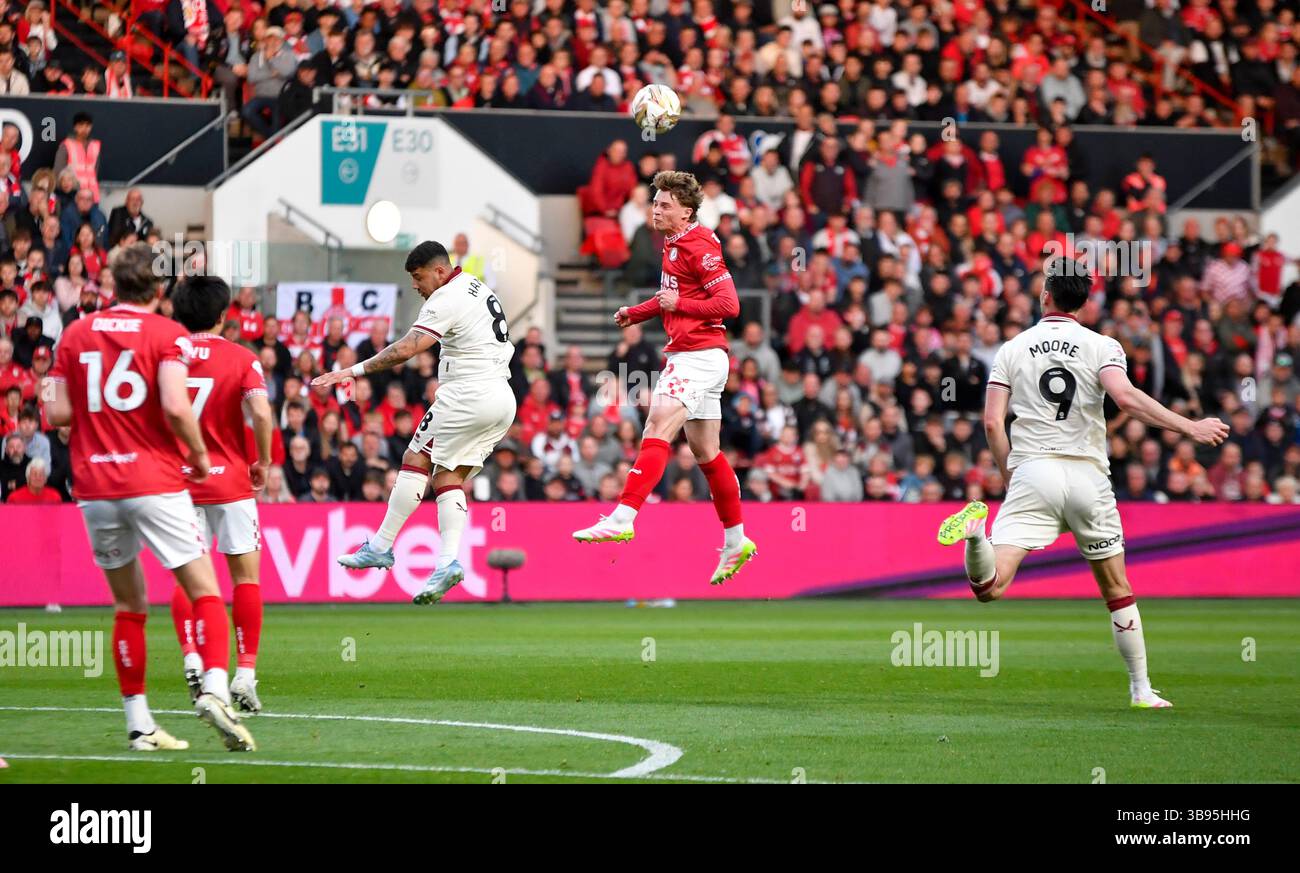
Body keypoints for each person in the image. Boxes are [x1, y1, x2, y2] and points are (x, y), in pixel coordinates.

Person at [936, 263, 1229, 709]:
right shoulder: (1102, 345)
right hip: (1089, 476)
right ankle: (1141, 690)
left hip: (1034, 472)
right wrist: (1190, 427)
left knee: (989, 587)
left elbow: (994, 422)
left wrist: (1008, 471)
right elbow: (1127, 398)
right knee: (1117, 588)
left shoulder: (1012, 348)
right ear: (1084, 302)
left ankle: (977, 535)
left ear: (1045, 297)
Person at [42, 244, 255, 751]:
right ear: (158, 291)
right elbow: (177, 407)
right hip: (155, 481)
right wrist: (200, 455)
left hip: (94, 486)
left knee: (129, 604)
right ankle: (215, 690)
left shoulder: (76, 333)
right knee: (205, 589)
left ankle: (140, 725)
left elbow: (55, 413)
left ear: (112, 285)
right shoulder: (168, 334)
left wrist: (97, 423)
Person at [571, 171, 757, 585]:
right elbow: (669, 297)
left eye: (664, 204)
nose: (656, 209)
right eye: (654, 202)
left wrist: (681, 303)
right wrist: (635, 313)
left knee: (657, 424)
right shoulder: (672, 244)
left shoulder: (699, 243)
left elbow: (729, 304)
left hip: (699, 357)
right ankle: (736, 539)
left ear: (686, 211)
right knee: (707, 452)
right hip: (699, 356)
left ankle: (623, 515)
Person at [315, 241, 516, 604]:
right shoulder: (477, 286)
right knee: (446, 477)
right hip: (502, 398)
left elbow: (407, 348)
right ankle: (447, 561)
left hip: (467, 394)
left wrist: (352, 370)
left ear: (440, 271)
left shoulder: (446, 297)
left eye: (419, 277)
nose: (416, 285)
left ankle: (380, 546)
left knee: (414, 459)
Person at [167, 276, 274, 714]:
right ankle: (244, 674)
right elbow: (262, 412)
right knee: (245, 578)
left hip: (180, 482)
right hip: (230, 482)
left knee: (191, 576)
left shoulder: (166, 357)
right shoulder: (242, 359)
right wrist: (262, 461)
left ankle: (193, 657)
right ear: (223, 314)